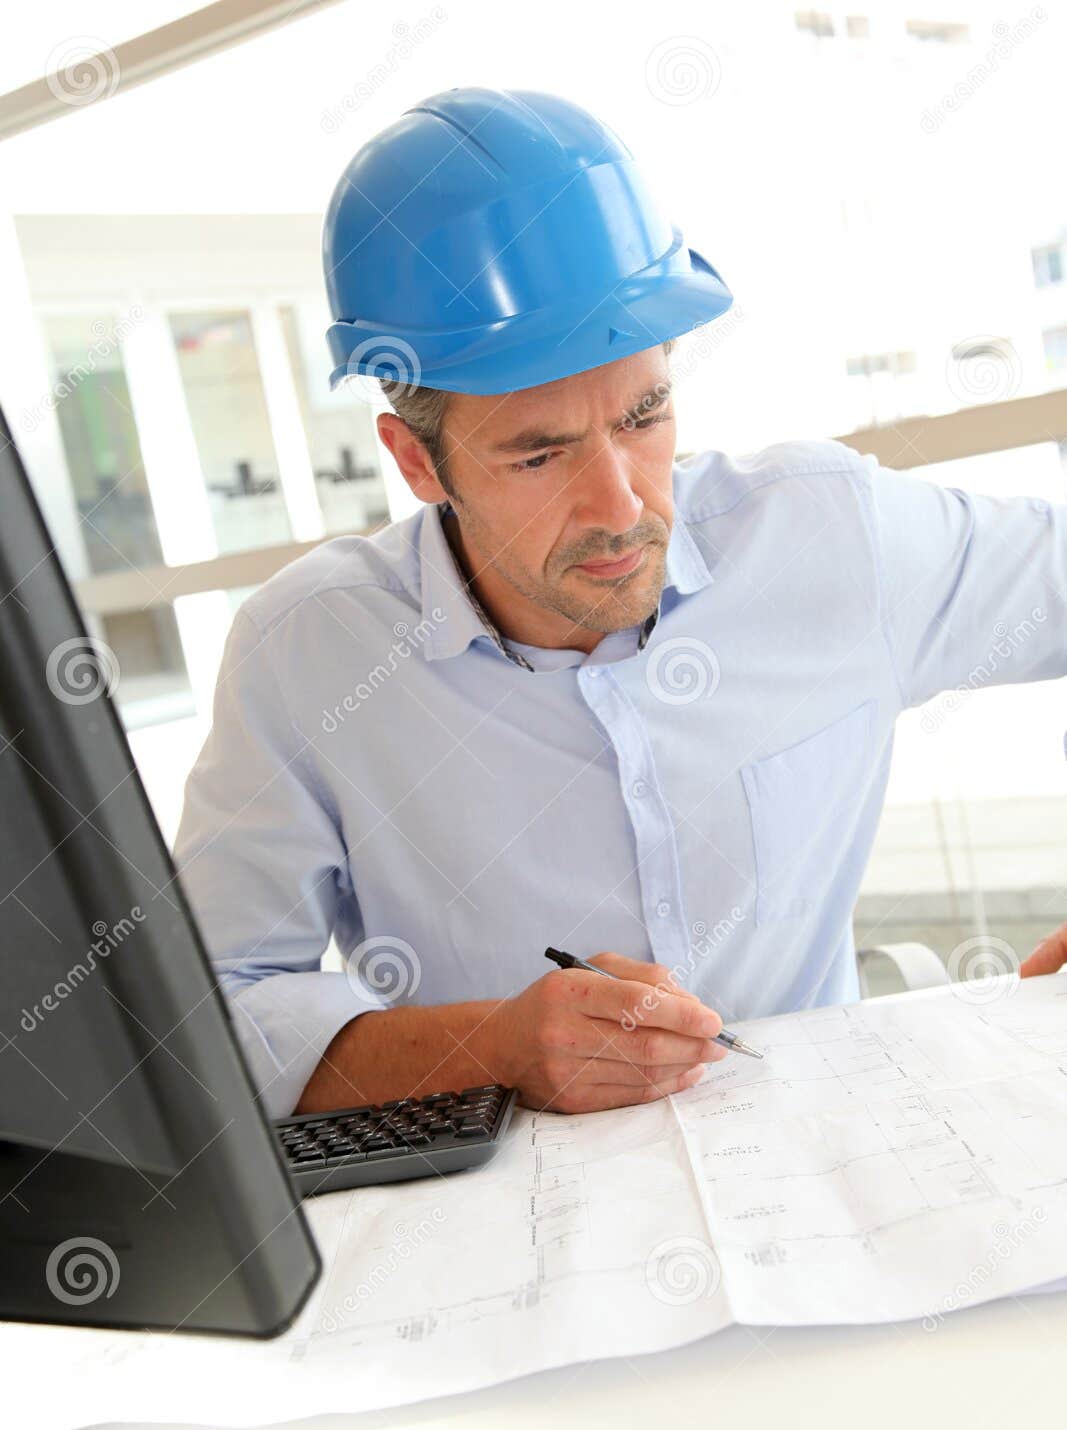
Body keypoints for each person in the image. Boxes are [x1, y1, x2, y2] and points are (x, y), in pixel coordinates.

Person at [173, 87, 1067, 1119]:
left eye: (644, 417)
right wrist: (494, 1045)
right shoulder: (305, 654)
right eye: (539, 452)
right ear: (416, 461)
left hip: (835, 1178)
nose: (622, 504)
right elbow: (210, 1025)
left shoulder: (829, 536)